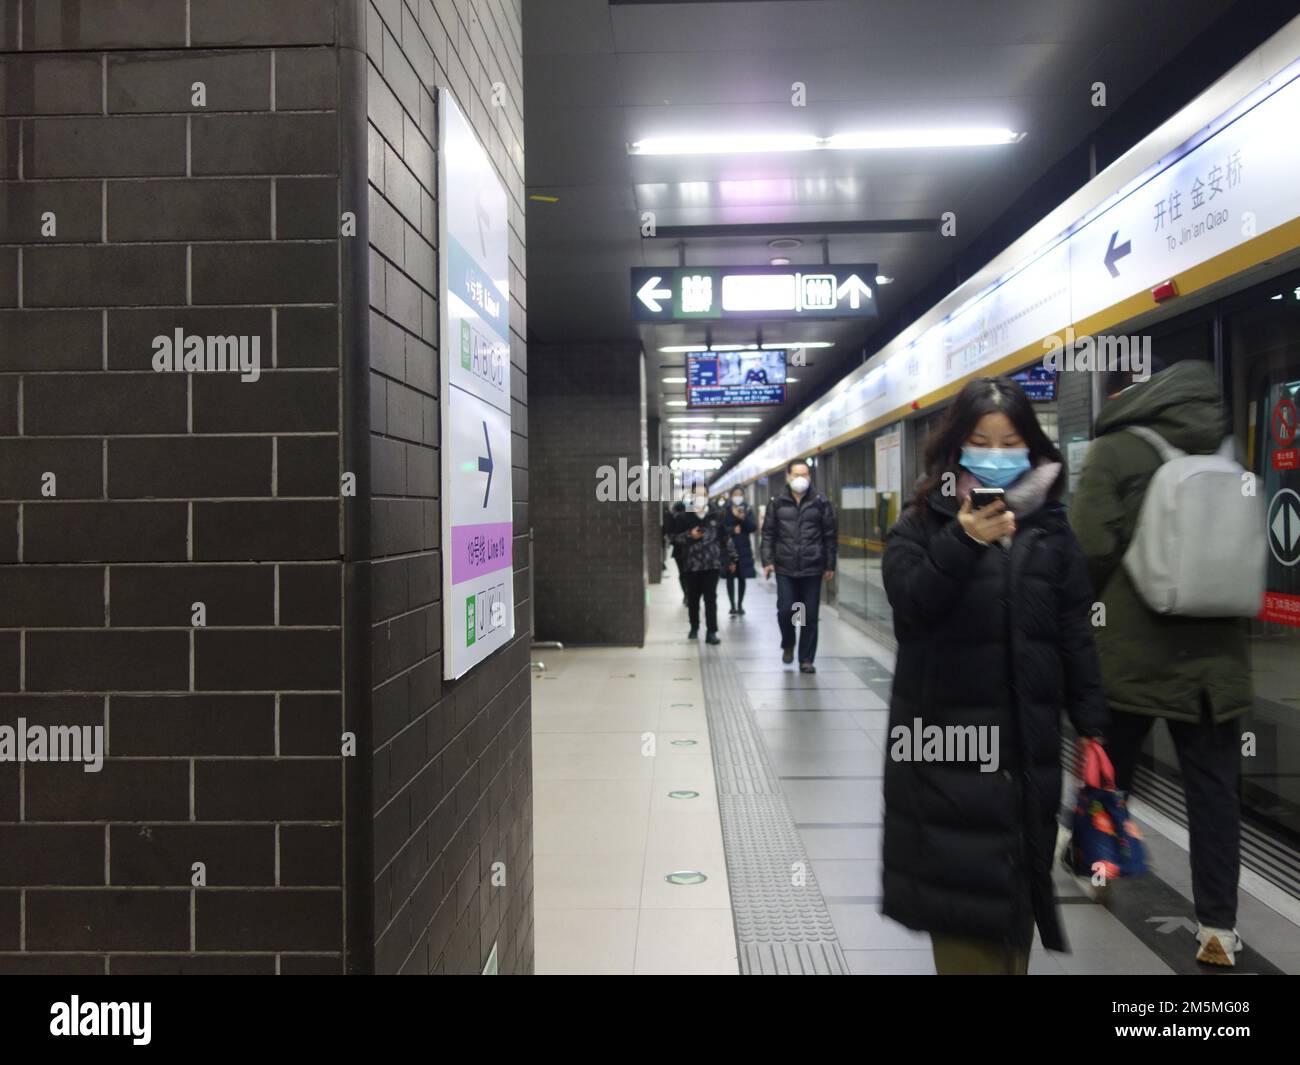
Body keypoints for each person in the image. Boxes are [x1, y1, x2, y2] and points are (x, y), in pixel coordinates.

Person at [881, 375, 1108, 975]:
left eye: (1011, 443)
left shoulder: (1051, 533)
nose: (998, 455)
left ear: (1033, 448)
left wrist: (1092, 726)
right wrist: (962, 540)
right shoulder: (920, 526)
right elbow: (911, 610)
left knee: (1013, 935)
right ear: (956, 448)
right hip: (946, 764)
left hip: (1026, 770)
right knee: (966, 933)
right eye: (983, 441)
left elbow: (1074, 632)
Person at [1071, 359, 1250, 968]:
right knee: (1214, 793)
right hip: (1216, 664)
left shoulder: (1115, 449)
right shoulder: (1228, 448)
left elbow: (1088, 548)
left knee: (1108, 775)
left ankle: (1097, 868)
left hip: (1129, 655)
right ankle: (1218, 929)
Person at [760, 461, 836, 672]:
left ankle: (806, 659)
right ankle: (788, 642)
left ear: (809, 476)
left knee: (808, 614)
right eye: (796, 474)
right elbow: (768, 534)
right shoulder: (777, 502)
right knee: (787, 610)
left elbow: (830, 535)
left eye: (804, 474)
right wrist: (767, 561)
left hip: (812, 566)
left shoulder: (820, 502)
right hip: (785, 567)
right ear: (788, 477)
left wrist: (830, 564)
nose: (800, 478)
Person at [671, 487, 737, 643]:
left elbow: (725, 538)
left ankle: (711, 632)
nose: (701, 497)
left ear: (708, 496)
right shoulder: (684, 517)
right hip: (691, 565)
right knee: (693, 598)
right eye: (697, 495)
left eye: (704, 495)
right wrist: (689, 535)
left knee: (711, 598)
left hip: (711, 564)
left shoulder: (716, 515)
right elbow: (673, 538)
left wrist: (733, 558)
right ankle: (694, 627)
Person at [724, 489, 758, 615]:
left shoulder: (747, 509)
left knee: (742, 577)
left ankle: (740, 605)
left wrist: (742, 518)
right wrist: (732, 530)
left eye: (740, 495)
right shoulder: (725, 509)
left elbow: (753, 527)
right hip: (729, 548)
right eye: (735, 495)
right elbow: (720, 528)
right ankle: (732, 605)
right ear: (731, 496)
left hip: (743, 548)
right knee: (730, 577)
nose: (737, 497)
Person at [664, 498, 690, 606]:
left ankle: (686, 595)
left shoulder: (673, 517)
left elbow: (669, 533)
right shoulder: (689, 517)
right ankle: (690, 594)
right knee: (690, 574)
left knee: (682, 574)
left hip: (678, 550)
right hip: (690, 549)